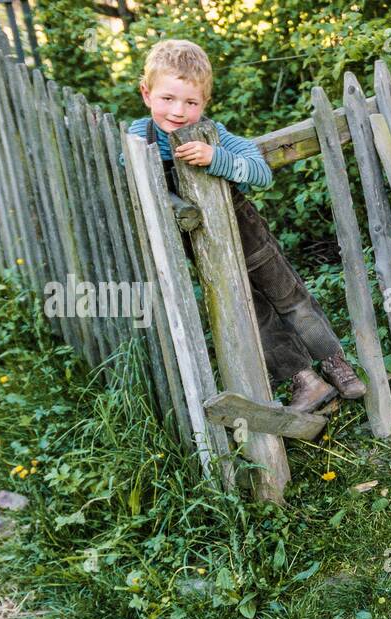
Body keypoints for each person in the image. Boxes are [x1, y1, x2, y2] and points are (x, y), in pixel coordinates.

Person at [127, 39, 365, 412]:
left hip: (246, 234)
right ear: (146, 93)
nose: (178, 111)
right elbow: (129, 175)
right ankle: (305, 380)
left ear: (204, 103)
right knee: (255, 315)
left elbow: (260, 173)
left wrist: (215, 157)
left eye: (191, 102)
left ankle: (337, 364)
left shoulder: (215, 134)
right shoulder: (138, 139)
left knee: (290, 298)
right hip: (205, 249)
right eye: (168, 98)